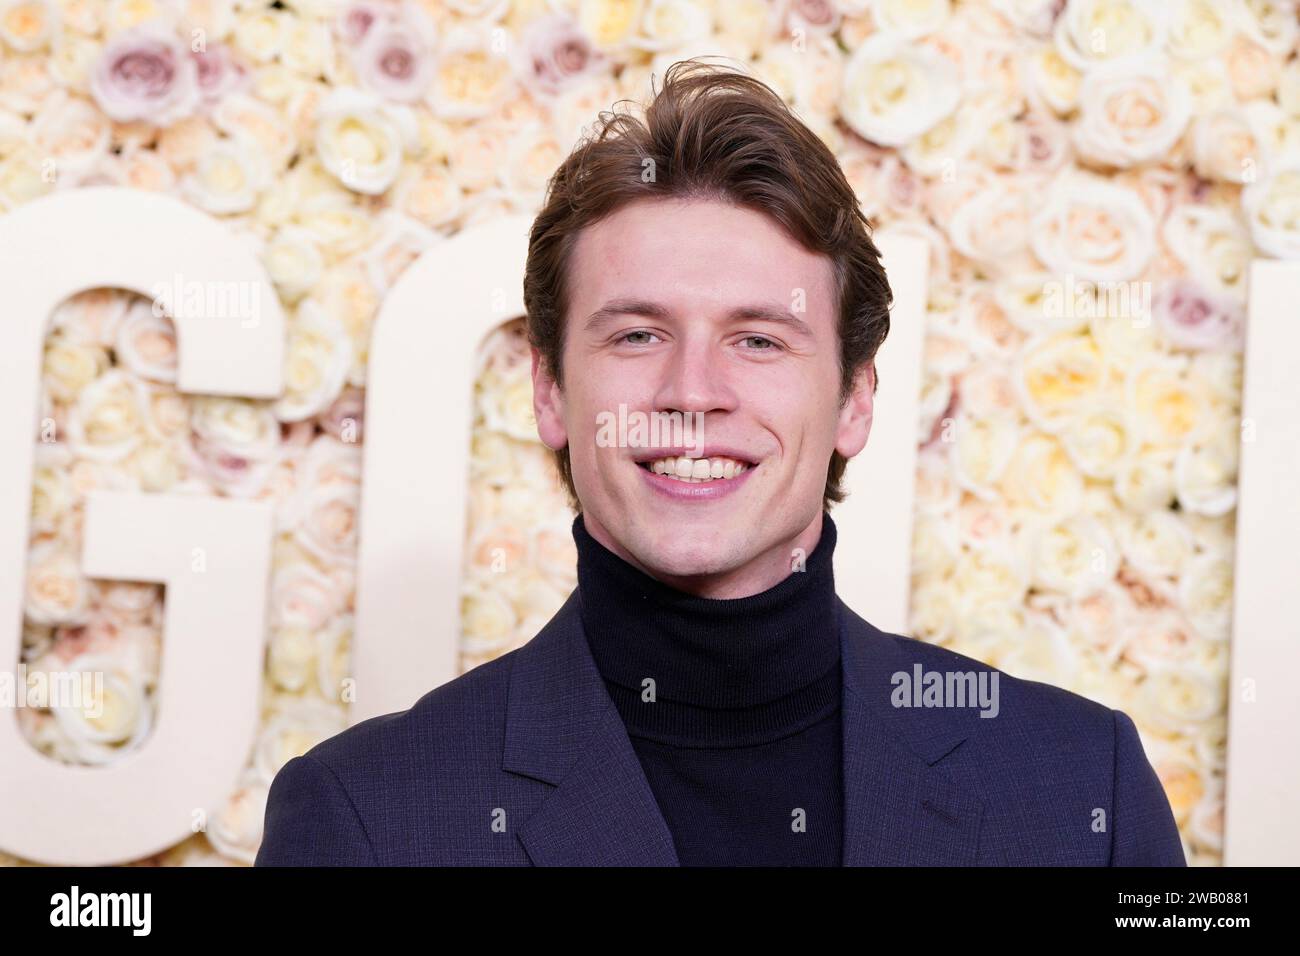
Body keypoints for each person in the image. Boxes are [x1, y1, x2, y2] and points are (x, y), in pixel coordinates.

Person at [255, 59, 1186, 867]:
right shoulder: (365, 820)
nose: (692, 392)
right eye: (636, 333)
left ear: (857, 399)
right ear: (549, 392)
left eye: (759, 341)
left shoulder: (1075, 789)